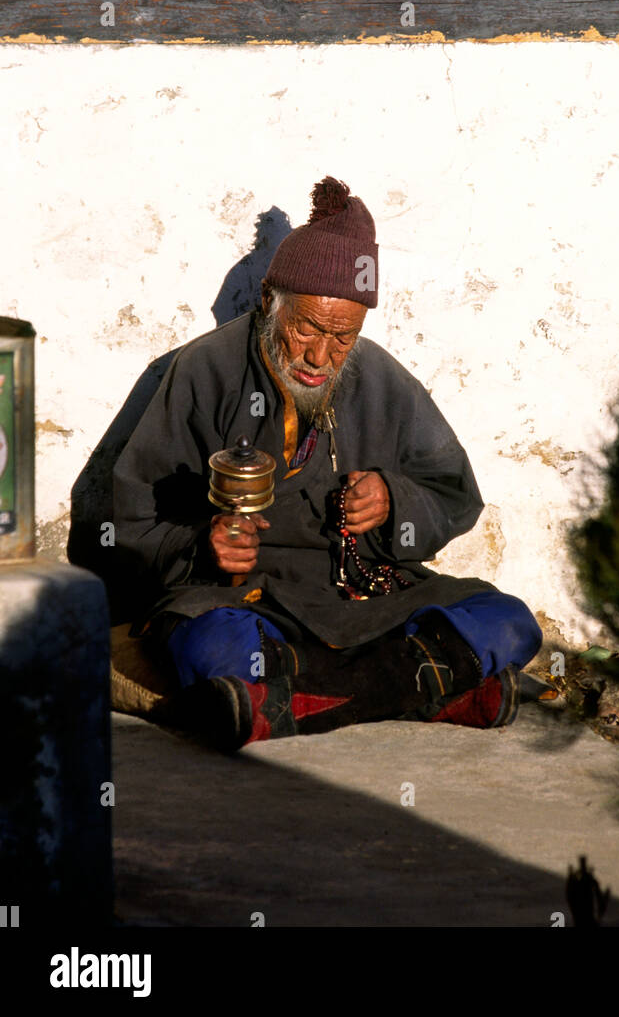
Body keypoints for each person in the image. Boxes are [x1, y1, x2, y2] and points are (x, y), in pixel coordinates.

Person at [111, 176, 542, 750]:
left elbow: (454, 494)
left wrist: (394, 500)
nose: (321, 357)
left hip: (359, 597)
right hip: (246, 601)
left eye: (343, 337)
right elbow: (127, 522)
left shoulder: (382, 381)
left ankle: (290, 701)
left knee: (511, 622)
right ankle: (426, 686)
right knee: (212, 647)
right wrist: (201, 543)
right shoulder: (204, 371)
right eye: (307, 328)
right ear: (269, 300)